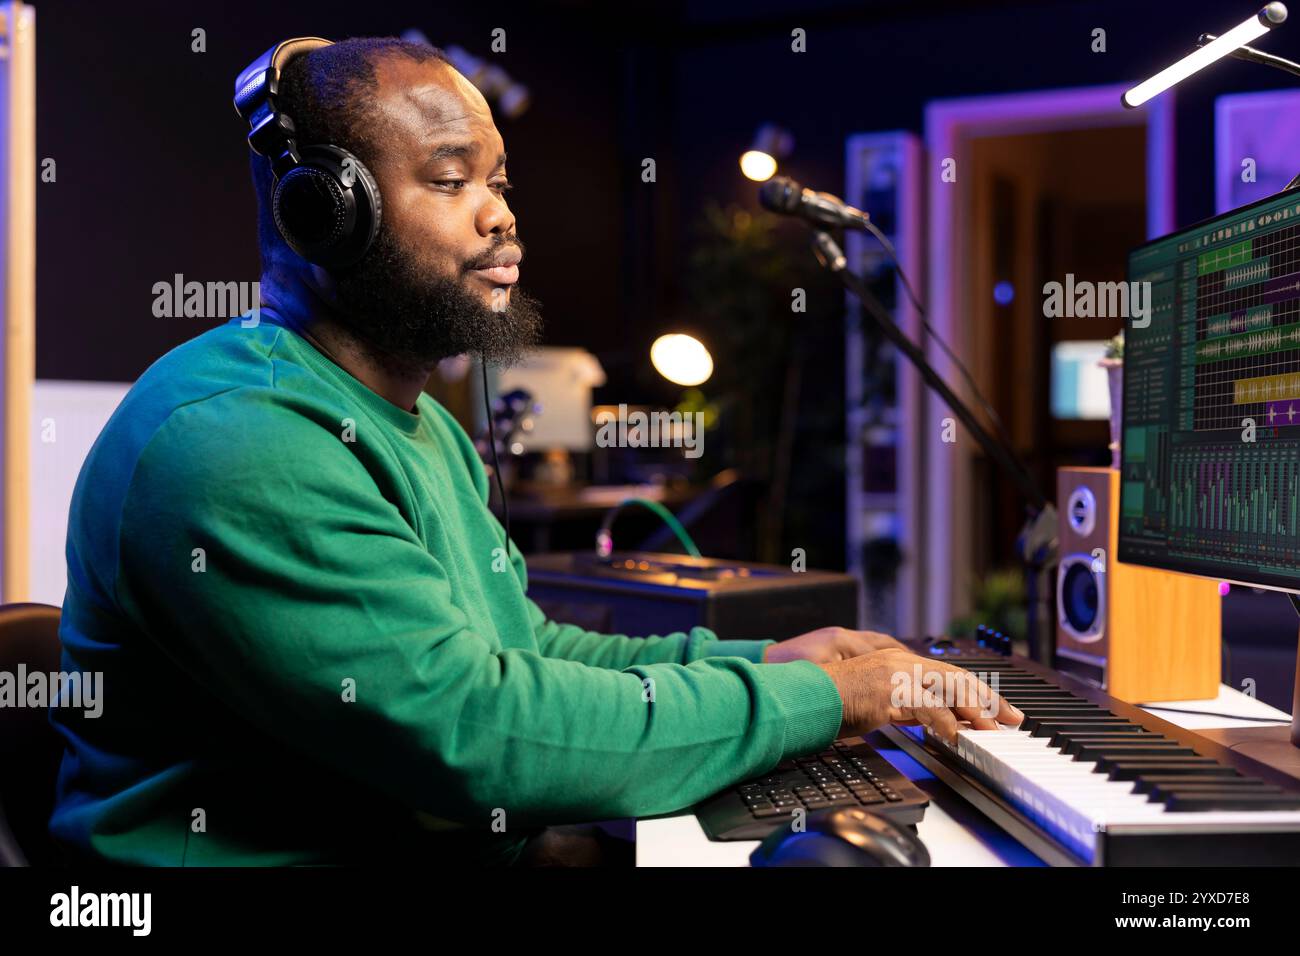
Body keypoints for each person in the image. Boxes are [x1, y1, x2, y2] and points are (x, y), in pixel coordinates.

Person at [49, 36, 1019, 866]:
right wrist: (817, 695)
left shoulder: (420, 425)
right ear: (324, 214)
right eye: (449, 178)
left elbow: (523, 652)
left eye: (499, 181)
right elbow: (479, 730)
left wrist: (767, 655)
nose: (502, 214)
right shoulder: (239, 438)